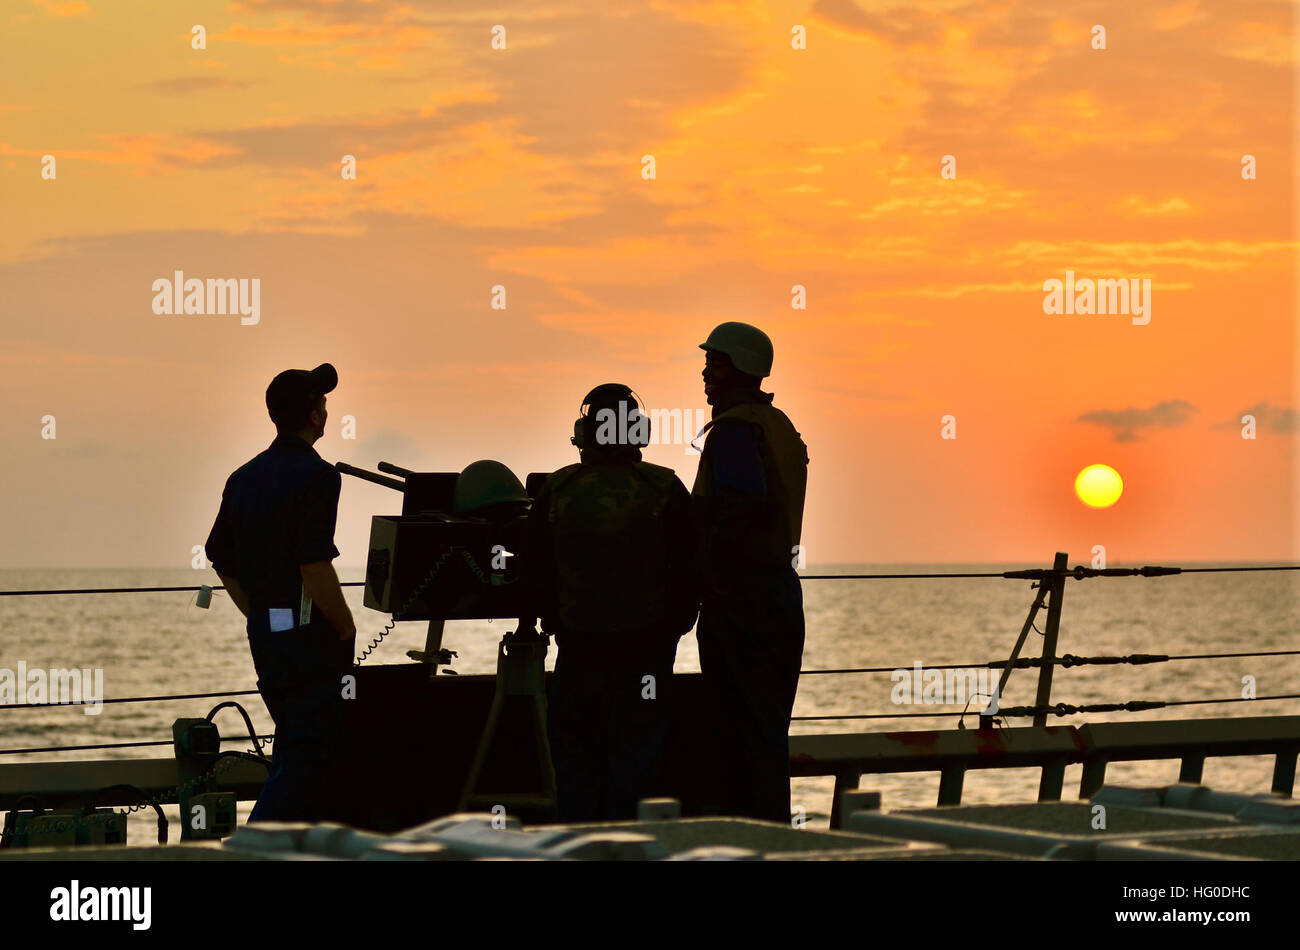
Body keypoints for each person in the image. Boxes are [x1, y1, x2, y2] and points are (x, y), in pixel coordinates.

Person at [529, 384, 698, 821]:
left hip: (578, 652)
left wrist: (556, 621)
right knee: (639, 764)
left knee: (576, 766)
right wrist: (669, 630)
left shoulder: (556, 489)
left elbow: (535, 571)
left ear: (585, 432)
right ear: (637, 431)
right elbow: (690, 571)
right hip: (647, 654)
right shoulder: (665, 488)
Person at [204, 363, 356, 823]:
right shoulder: (319, 476)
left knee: (293, 744)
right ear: (313, 417)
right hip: (311, 642)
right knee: (311, 757)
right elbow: (313, 564)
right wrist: (346, 626)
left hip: (267, 638)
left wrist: (257, 613)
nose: (327, 410)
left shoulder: (243, 477)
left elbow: (220, 558)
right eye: (323, 403)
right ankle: (253, 848)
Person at [691, 323, 809, 823]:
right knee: (766, 733)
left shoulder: (736, 430)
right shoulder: (779, 425)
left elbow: (739, 506)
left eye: (715, 364)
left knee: (735, 732)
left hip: (742, 599)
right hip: (778, 594)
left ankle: (744, 839)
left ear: (740, 369)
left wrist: (705, 572)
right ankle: (773, 837)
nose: (705, 373)